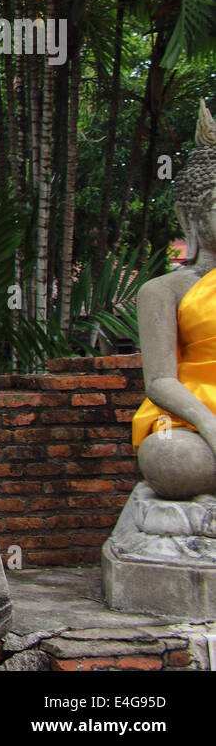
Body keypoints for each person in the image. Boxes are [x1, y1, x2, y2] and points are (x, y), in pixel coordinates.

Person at [133, 100, 216, 499]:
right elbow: (161, 379)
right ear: (192, 217)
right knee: (173, 459)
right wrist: (209, 423)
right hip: (188, 421)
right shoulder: (164, 291)